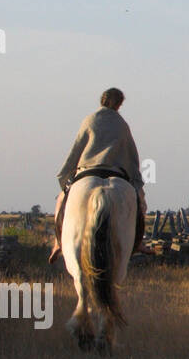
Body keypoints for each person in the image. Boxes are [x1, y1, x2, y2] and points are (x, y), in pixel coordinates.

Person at [51, 88, 149, 264]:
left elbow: (77, 149)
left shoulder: (89, 121)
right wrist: (137, 183)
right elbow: (132, 156)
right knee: (140, 204)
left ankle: (58, 243)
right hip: (116, 172)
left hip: (87, 170)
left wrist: (65, 175)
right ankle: (139, 241)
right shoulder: (122, 124)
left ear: (102, 100)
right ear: (119, 104)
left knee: (60, 202)